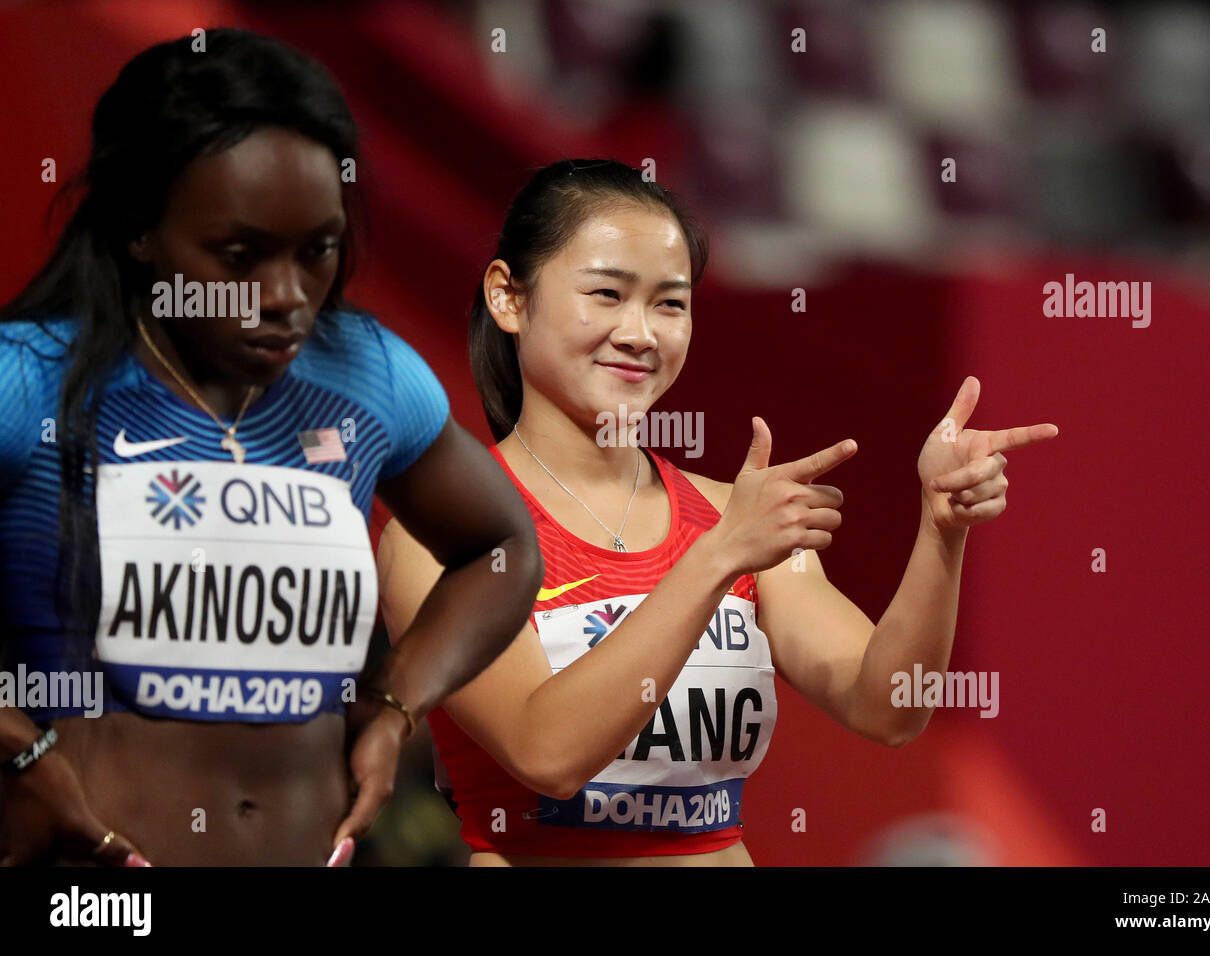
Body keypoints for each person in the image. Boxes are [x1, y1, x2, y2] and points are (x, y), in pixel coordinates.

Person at [378, 159, 1059, 866]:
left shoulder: (736, 515)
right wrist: (715, 558)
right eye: (607, 294)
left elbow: (885, 707)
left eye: (670, 304)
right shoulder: (443, 537)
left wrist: (942, 531)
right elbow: (546, 752)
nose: (641, 333)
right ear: (508, 298)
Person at [0, 29, 543, 867]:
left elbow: (503, 549)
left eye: (317, 249)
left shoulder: (367, 377)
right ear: (140, 230)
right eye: (240, 256)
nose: (287, 297)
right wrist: (20, 755)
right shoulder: (30, 380)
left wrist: (396, 706)